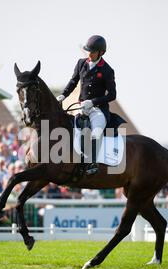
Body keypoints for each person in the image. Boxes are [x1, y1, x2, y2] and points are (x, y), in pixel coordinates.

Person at [57, 35, 116, 175]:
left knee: (95, 132)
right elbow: (73, 82)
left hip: (98, 110)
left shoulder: (107, 70)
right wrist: (63, 95)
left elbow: (112, 95)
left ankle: (92, 163)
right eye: (88, 50)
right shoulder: (81, 63)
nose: (89, 54)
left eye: (92, 51)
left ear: (101, 53)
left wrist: (93, 102)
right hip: (81, 107)